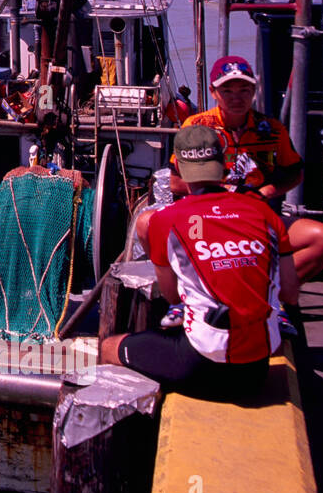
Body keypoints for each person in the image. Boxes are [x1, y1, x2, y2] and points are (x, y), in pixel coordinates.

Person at [101, 125, 299, 398]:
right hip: (257, 367)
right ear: (222, 165)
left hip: (201, 363)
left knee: (109, 347)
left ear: (179, 170)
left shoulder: (164, 220)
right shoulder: (264, 213)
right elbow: (290, 292)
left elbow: (172, 296)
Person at [140, 55, 323, 284]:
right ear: (213, 92)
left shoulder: (272, 129)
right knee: (145, 223)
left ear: (254, 90)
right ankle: (182, 293)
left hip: (254, 215)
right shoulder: (196, 127)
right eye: (227, 91)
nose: (237, 98)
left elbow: (294, 173)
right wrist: (223, 195)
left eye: (244, 90)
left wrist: (269, 190)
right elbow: (176, 183)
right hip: (206, 215)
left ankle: (269, 289)